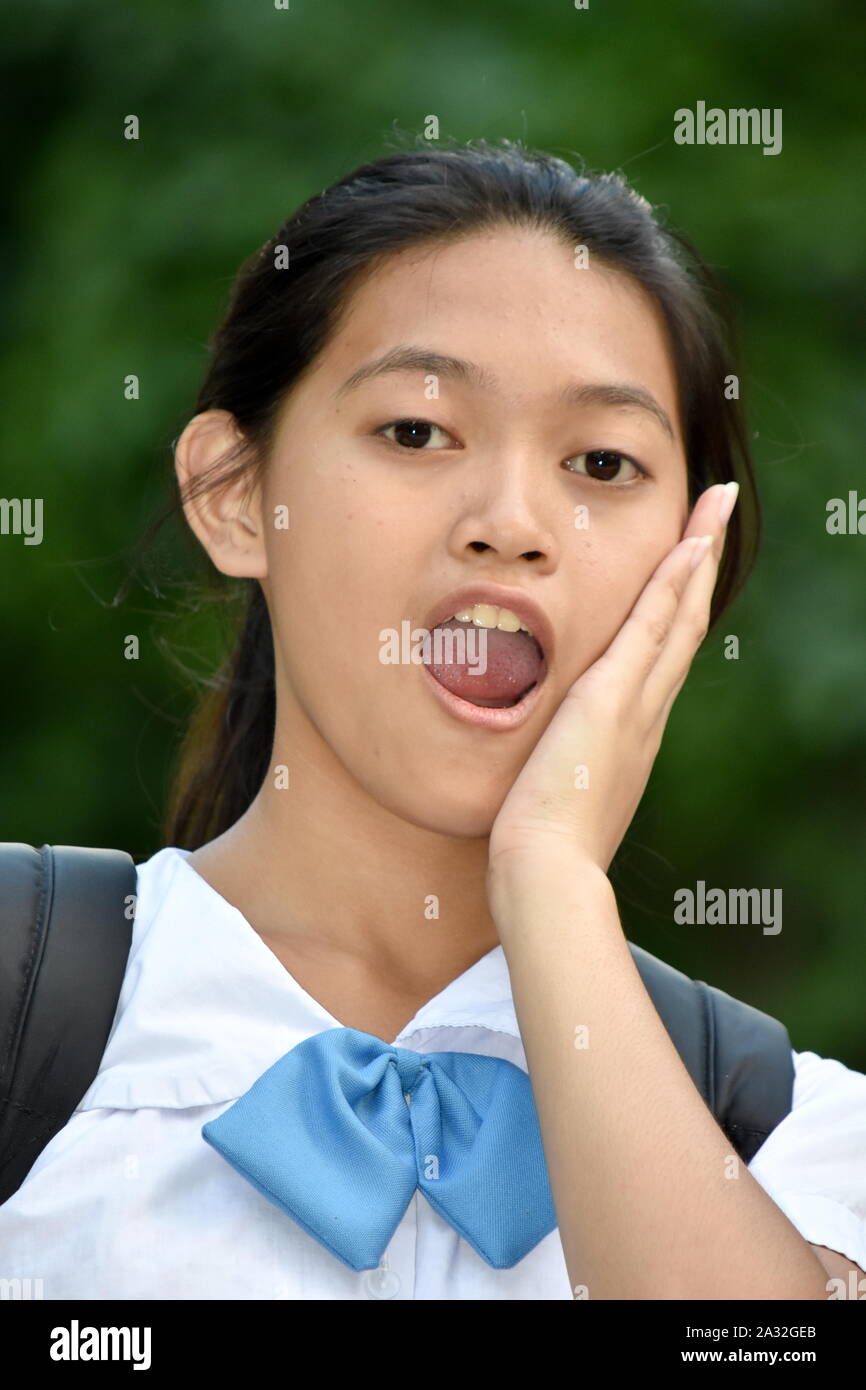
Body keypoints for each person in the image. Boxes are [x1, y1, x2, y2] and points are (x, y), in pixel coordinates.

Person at [1, 138, 864, 1300]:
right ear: (236, 495)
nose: (510, 520)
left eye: (602, 461)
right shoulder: (29, 1001)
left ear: (688, 560)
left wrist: (552, 883)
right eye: (415, 430)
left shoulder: (797, 1133)